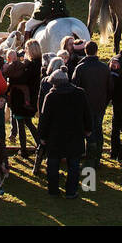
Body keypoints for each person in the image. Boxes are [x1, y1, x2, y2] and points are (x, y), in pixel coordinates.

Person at [39, 69, 90, 198]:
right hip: (75, 134)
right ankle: (71, 191)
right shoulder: (80, 93)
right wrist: (88, 129)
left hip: (55, 136)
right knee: (73, 164)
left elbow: (44, 119)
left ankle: (53, 190)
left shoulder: (51, 97)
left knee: (53, 164)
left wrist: (42, 136)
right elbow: (87, 114)